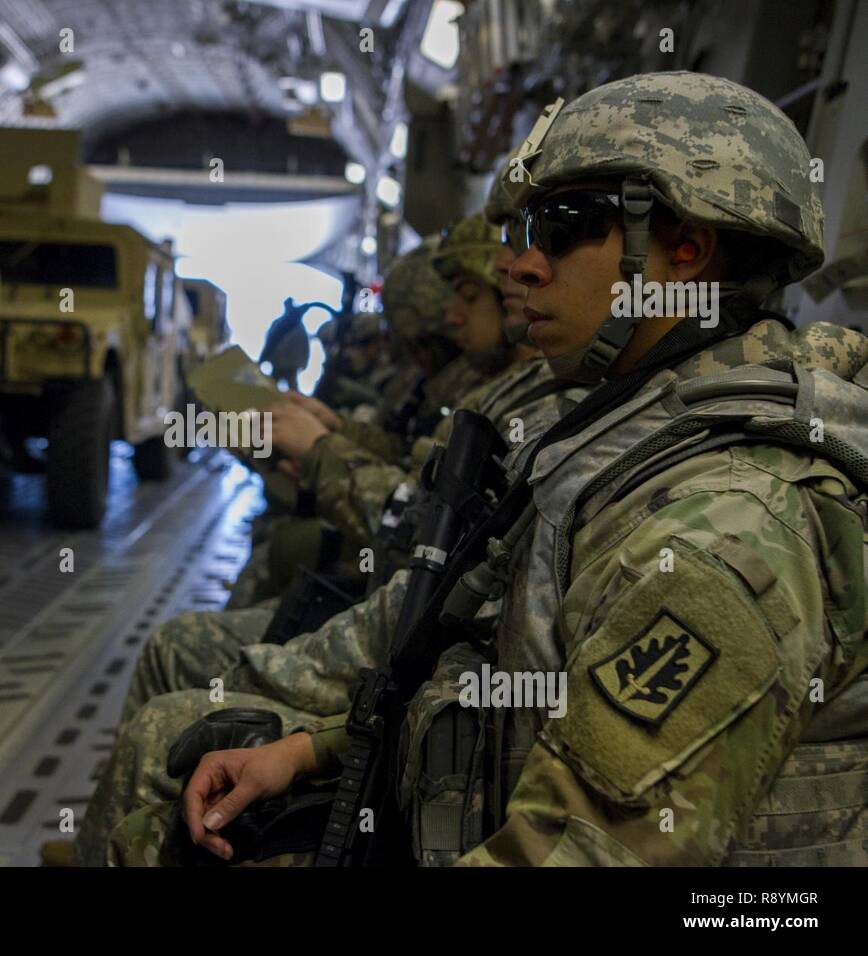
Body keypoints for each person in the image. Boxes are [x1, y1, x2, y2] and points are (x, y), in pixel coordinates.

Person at [110, 71, 868, 867]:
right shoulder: (626, 431)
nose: (526, 267)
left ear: (686, 250)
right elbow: (505, 658)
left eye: (564, 225)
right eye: (522, 234)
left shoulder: (726, 526)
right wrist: (314, 748)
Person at [63, 211, 591, 866]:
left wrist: (323, 454)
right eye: (509, 256)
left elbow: (426, 527)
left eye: (471, 293)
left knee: (175, 697)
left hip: (443, 716)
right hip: (423, 677)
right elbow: (430, 497)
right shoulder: (557, 400)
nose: (522, 271)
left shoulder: (597, 426)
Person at [259, 297, 316, 388]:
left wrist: (303, 363)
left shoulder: (299, 330)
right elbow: (270, 341)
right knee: (272, 386)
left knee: (292, 388)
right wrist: (265, 358)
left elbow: (304, 348)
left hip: (291, 366)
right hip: (278, 363)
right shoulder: (279, 323)